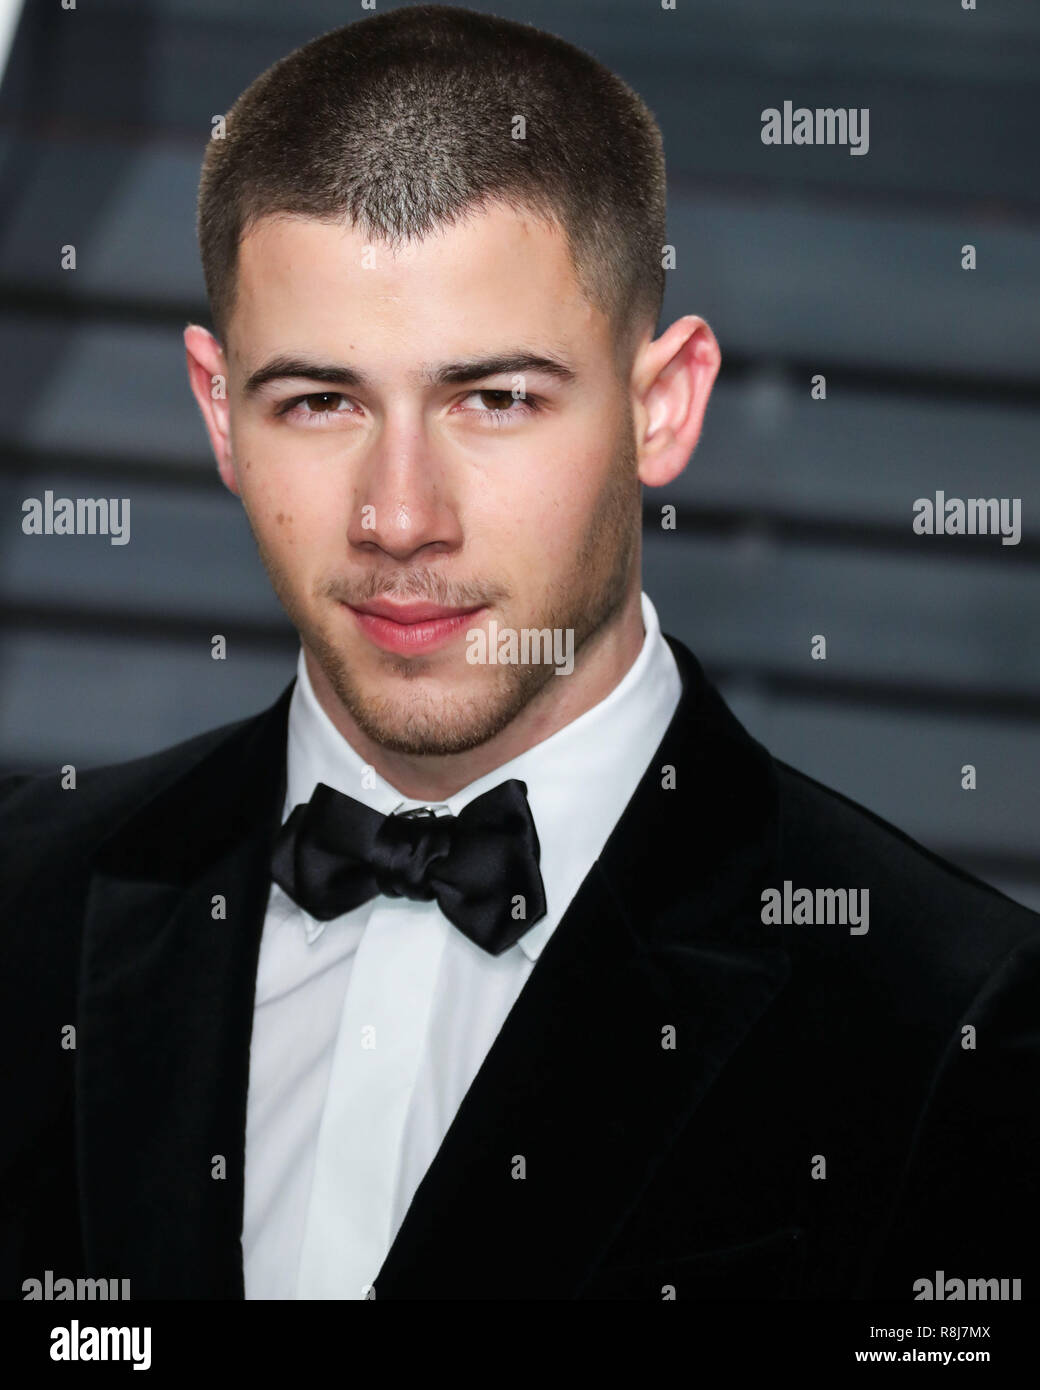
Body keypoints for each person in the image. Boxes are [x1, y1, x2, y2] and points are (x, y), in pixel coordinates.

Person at [3, 4, 1037, 1302]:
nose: (399, 518)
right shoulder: (22, 900)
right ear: (218, 409)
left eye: (493, 399)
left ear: (662, 407)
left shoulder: (949, 1020)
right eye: (321, 400)